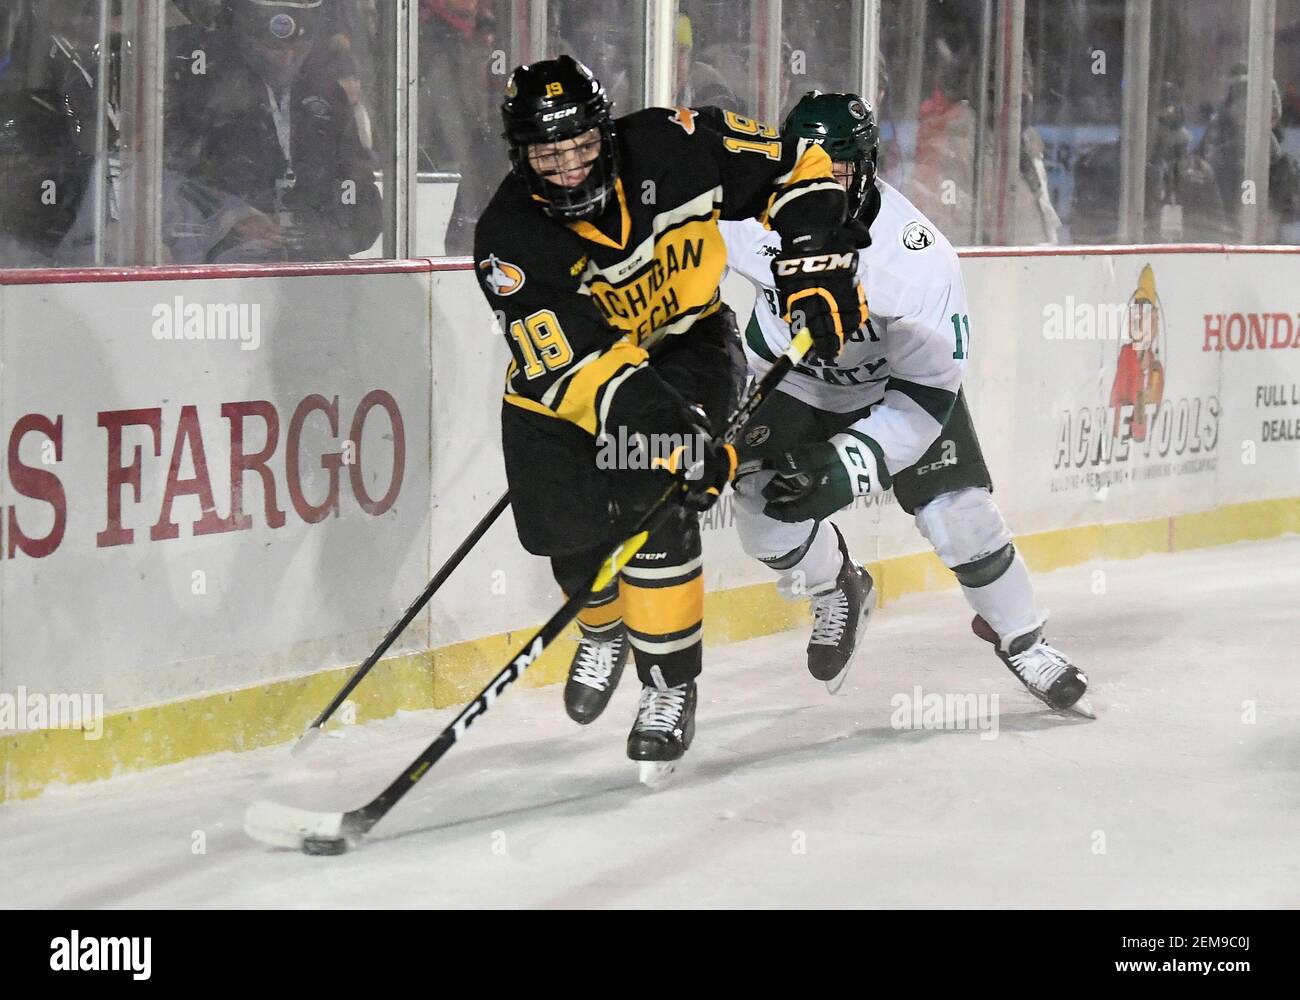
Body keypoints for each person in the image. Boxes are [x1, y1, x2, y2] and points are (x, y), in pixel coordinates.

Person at [473, 57, 867, 781]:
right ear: (519, 154)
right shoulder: (509, 240)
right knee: (570, 540)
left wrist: (815, 258)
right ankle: (602, 626)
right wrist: (676, 435)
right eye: (546, 154)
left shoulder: (674, 144)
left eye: (581, 147)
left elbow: (796, 164)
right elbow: (576, 368)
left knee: (654, 501)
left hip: (687, 345)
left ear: (606, 132)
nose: (566, 169)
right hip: (567, 384)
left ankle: (668, 689)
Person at [721, 91, 1091, 715]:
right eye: (802, 165)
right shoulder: (743, 217)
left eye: (834, 169)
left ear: (867, 166)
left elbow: (923, 397)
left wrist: (846, 468)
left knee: (961, 515)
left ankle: (1023, 638)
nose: (817, 184)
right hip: (788, 381)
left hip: (892, 388)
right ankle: (837, 582)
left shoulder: (916, 260)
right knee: (762, 518)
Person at [168, 0, 382, 262]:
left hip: (319, 269)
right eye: (272, 46)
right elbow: (166, 180)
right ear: (244, 38)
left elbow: (362, 207)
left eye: (298, 46)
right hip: (224, 268)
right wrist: (229, 217)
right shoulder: (202, 92)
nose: (287, 57)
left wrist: (320, 231)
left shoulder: (330, 97)